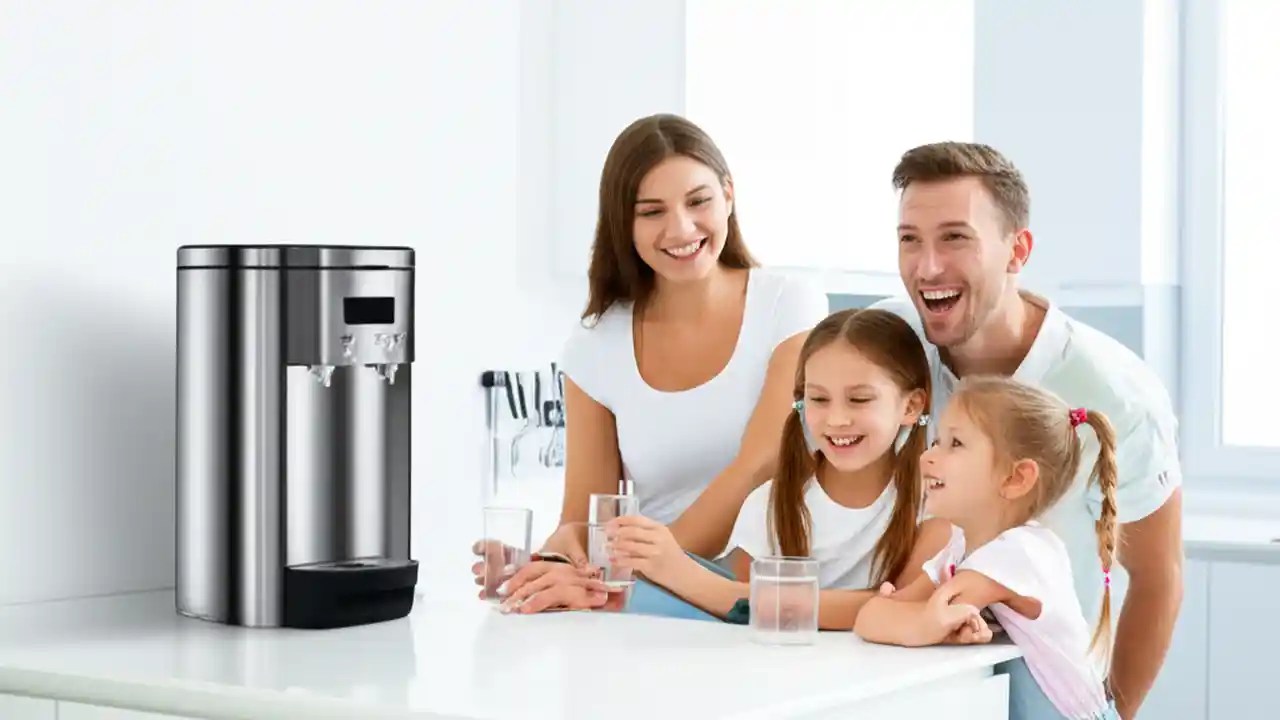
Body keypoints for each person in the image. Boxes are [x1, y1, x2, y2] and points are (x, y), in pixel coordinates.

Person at [872, 142, 1182, 719]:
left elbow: (1158, 576)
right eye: (909, 238)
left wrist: (1114, 710)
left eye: (955, 238)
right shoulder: (884, 347)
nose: (927, 266)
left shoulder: (1114, 392)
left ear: (1018, 251)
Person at [472, 113, 829, 612]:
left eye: (698, 200)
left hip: (755, 597)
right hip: (646, 609)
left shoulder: (790, 304)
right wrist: (546, 565)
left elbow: (762, 463)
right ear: (624, 224)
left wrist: (648, 571)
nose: (680, 228)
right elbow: (584, 519)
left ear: (729, 195)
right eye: (651, 211)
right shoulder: (597, 343)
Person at [511, 308, 958, 629]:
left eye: (859, 399)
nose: (836, 418)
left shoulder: (936, 505)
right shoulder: (771, 504)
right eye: (818, 399)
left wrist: (687, 574)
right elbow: (731, 616)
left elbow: (900, 609)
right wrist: (606, 589)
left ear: (912, 405)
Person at [855, 376, 1122, 720]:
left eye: (955, 443)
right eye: (937, 441)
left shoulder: (1022, 553)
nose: (927, 457)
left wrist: (922, 621)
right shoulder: (960, 549)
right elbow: (871, 617)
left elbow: (919, 615)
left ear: (1015, 479)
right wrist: (925, 622)